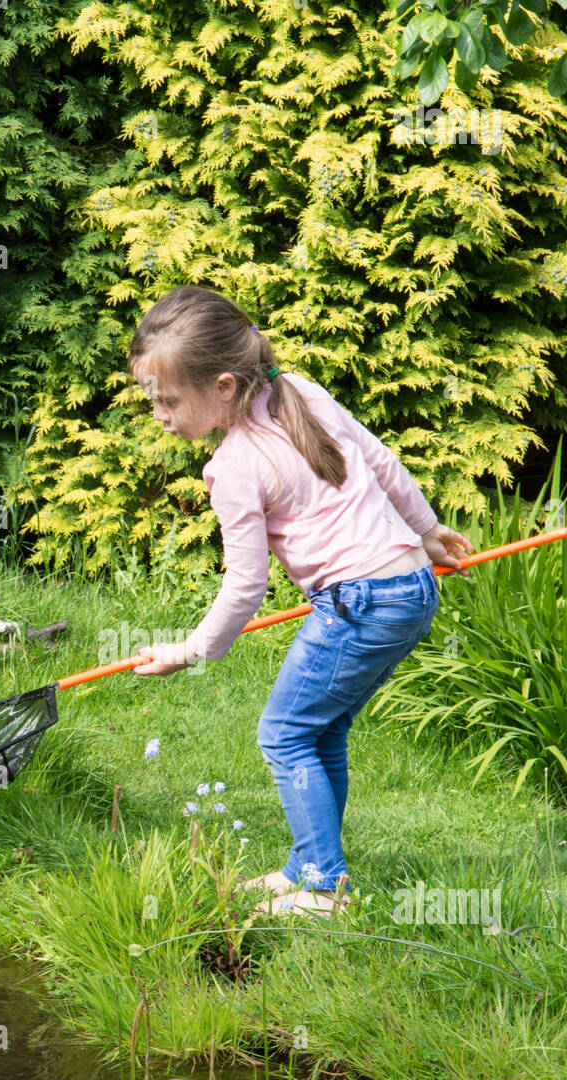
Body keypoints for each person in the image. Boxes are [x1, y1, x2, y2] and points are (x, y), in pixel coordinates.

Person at [129, 286, 472, 916]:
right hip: (409, 586)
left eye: (168, 398)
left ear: (225, 385)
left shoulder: (233, 466)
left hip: (360, 601)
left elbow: (246, 586)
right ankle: (307, 865)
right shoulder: (300, 390)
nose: (158, 412)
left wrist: (191, 651)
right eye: (150, 397)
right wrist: (426, 531)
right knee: (321, 730)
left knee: (283, 734)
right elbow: (381, 459)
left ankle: (321, 887)